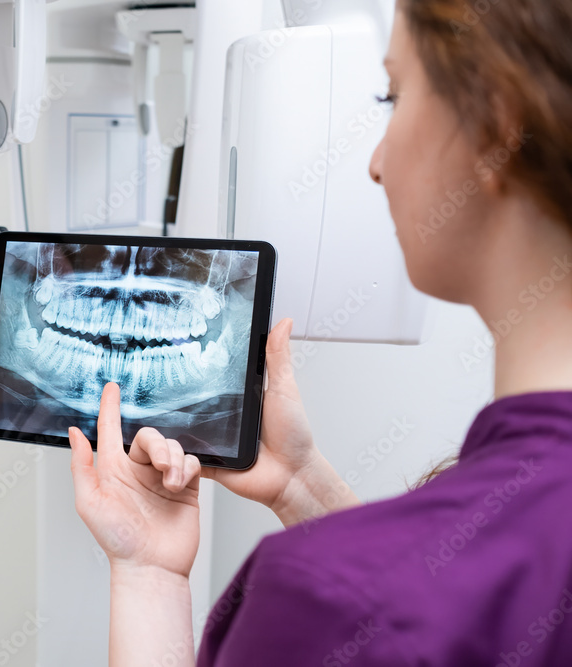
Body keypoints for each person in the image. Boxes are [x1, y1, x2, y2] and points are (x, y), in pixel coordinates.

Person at [69, 0, 572, 664]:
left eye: (391, 96)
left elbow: (389, 614)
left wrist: (149, 575)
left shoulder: (324, 595)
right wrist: (304, 487)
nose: (375, 162)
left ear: (495, 127)